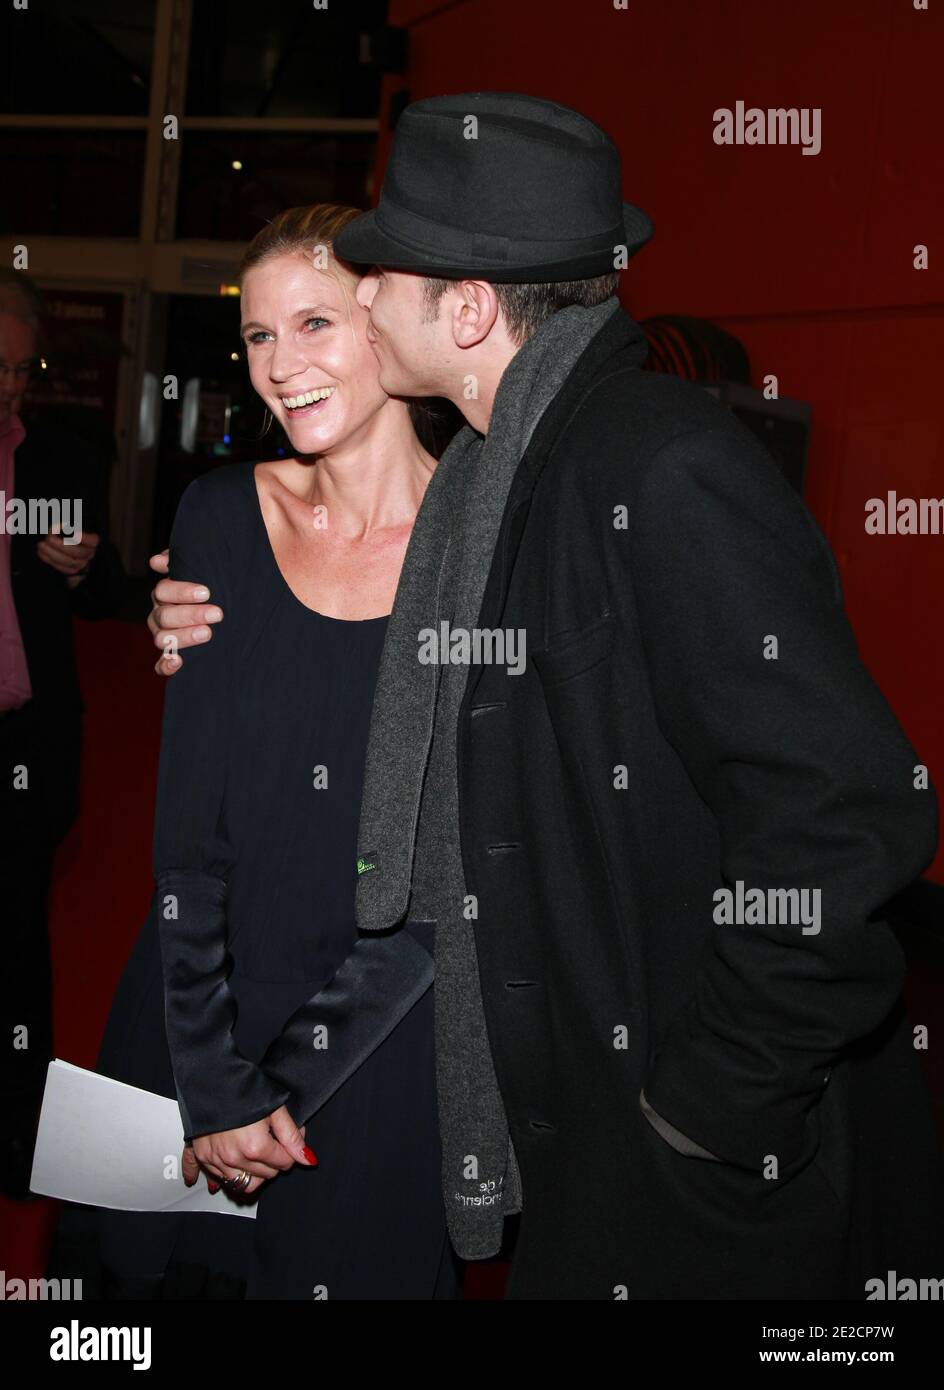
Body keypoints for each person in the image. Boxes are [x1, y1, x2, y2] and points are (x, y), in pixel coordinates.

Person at [146, 93, 944, 1300]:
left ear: (466, 310)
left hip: (705, 1167)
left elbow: (846, 813)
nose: (358, 298)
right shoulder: (496, 477)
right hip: (580, 1123)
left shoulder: (658, 462)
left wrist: (705, 1105)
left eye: (378, 274)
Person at [48, 204, 464, 1300]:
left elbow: (444, 872)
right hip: (201, 997)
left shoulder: (479, 550)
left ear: (385, 324)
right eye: (258, 336)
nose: (281, 367)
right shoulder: (223, 517)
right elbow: (187, 832)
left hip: (378, 1035)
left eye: (314, 323)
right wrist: (216, 1071)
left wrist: (285, 1082)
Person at [0, 269, 126, 1200]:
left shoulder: (52, 466)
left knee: (15, 955)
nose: (8, 386)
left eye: (18, 369)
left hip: (20, 750)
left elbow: (114, 586)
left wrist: (82, 567)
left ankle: (16, 1148)